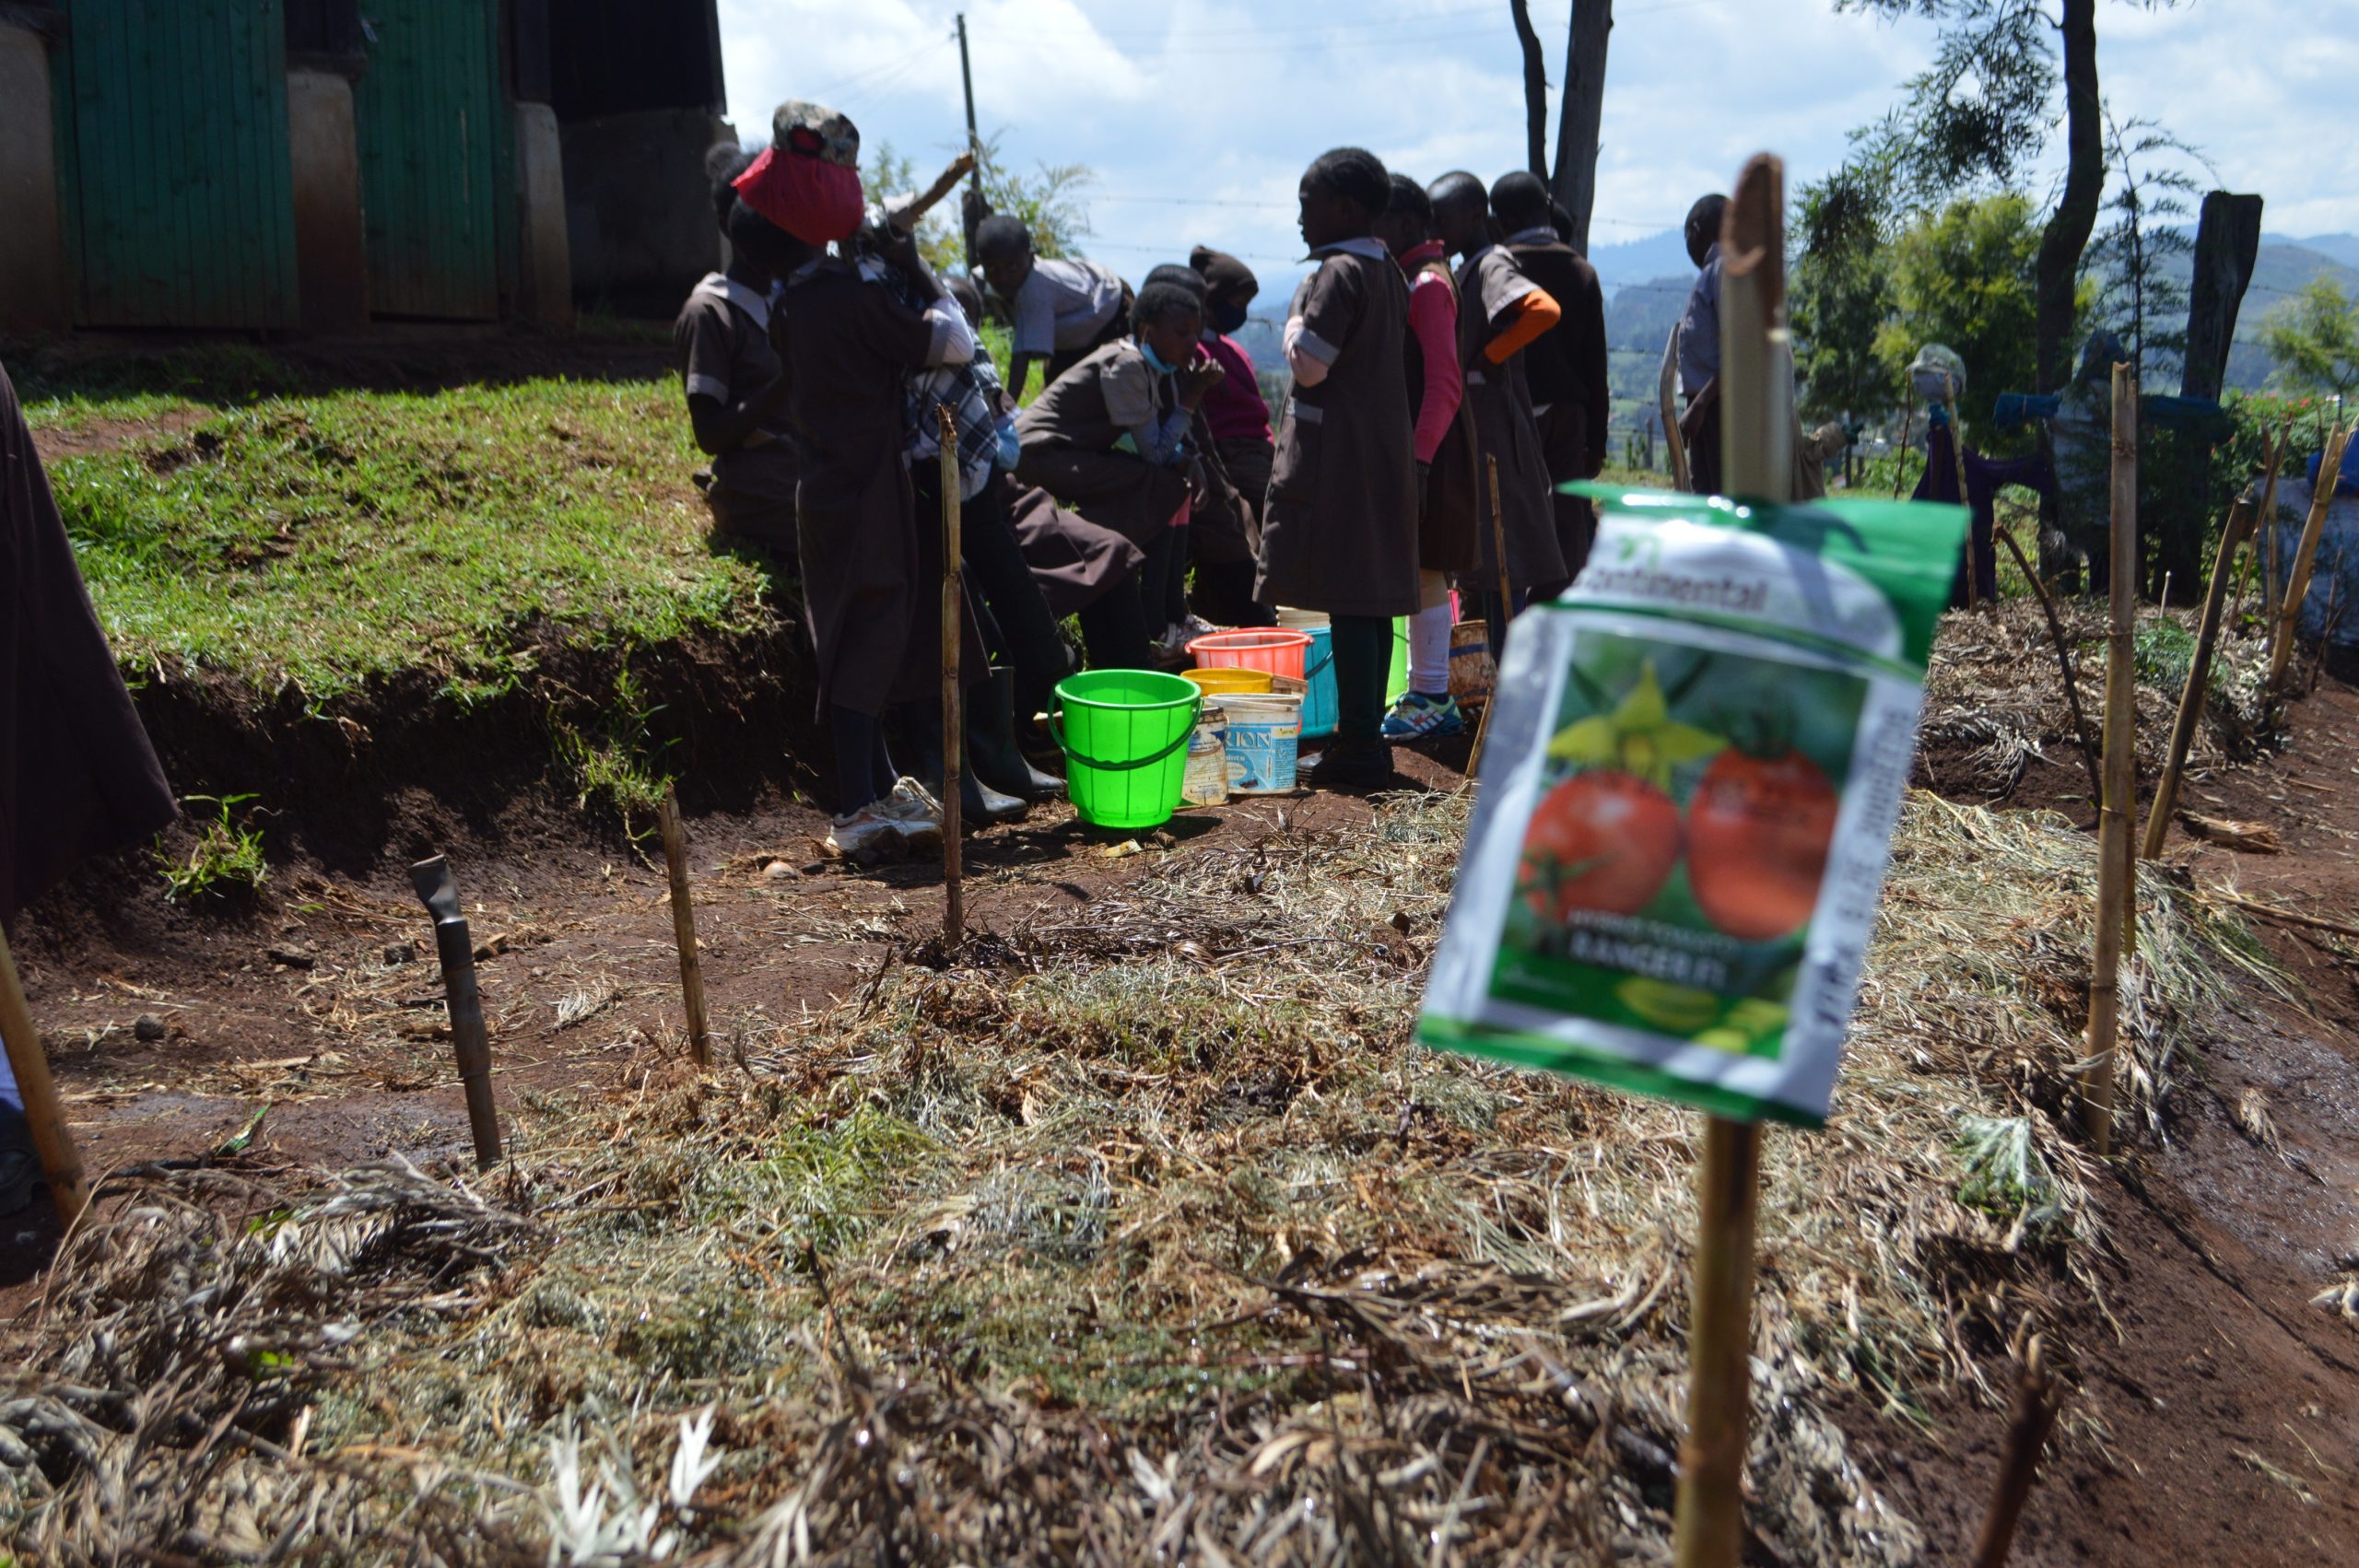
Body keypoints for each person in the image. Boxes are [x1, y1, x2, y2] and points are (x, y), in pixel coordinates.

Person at [761, 102, 982, 864]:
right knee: (875, 627)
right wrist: (915, 263)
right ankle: (857, 804)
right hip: (866, 488)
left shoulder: (790, 300)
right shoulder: (852, 300)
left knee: (848, 628)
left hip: (821, 486)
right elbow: (953, 342)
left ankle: (874, 785)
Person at [1258, 147, 1420, 790]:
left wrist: (1294, 321)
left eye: (1308, 204)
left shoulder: (1339, 272)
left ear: (1345, 209)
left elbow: (1311, 365)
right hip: (1379, 451)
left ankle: (1357, 743)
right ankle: (1366, 736)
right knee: (1372, 602)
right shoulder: (1388, 273)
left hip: (1341, 458)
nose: (1300, 218)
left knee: (1353, 598)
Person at [1014, 282, 1226, 669]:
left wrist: (1185, 461)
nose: (1192, 342)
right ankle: (1160, 625)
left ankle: (1173, 616)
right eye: (1181, 332)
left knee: (1173, 484)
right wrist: (1192, 397)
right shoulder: (1126, 365)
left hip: (1072, 453)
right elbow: (1155, 452)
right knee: (1162, 482)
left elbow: (1155, 447)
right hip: (1041, 455)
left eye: (1196, 332)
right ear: (1146, 331)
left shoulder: (1148, 367)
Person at [1428, 170, 1563, 656]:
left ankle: (1510, 672)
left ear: (1473, 216)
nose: (1437, 231)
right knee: (1486, 559)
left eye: (1443, 220)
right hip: (1479, 430)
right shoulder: (1469, 265)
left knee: (1504, 554)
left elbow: (1543, 310)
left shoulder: (1490, 264)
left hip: (1495, 435)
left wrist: (1489, 357)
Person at [1372, 172, 1479, 742]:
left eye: (1381, 220)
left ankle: (1433, 695)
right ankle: (1423, 689)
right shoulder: (1424, 277)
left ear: (1410, 223)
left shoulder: (1426, 286)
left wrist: (1418, 460)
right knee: (1423, 565)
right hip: (1432, 444)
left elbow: (1443, 382)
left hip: (1432, 446)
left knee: (1428, 563)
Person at [674, 145, 801, 558]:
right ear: (730, 225)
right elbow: (710, 434)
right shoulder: (710, 311)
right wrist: (786, 383)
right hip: (769, 496)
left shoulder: (791, 295)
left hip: (812, 478)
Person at [1493, 170, 1610, 594]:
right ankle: (1559, 613)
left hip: (1509, 415)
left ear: (1498, 220)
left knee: (1507, 518)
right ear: (1547, 208)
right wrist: (1596, 442)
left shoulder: (1499, 269)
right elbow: (1596, 367)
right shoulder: (1580, 271)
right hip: (1567, 418)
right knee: (1565, 525)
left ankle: (1507, 618)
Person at [1187, 246, 1279, 629]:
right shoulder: (1194, 350)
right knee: (1247, 552)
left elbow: (1257, 411)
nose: (1241, 312)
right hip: (1231, 459)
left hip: (1260, 454)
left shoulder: (1234, 350)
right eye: (1236, 302)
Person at [970, 215, 1131, 401]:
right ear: (981, 263)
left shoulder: (1036, 289)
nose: (1003, 277)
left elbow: (1022, 356)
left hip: (1109, 309)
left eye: (1012, 267)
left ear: (1029, 258)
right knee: (1057, 395)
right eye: (992, 268)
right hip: (1069, 325)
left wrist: (1007, 406)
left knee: (1097, 393)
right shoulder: (979, 280)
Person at [1674, 193, 1728, 496]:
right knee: (1708, 497)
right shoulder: (1716, 273)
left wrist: (1700, 405)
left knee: (1720, 499)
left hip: (1719, 406)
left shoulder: (1724, 270)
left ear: (1695, 231)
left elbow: (1740, 352)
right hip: (1710, 407)